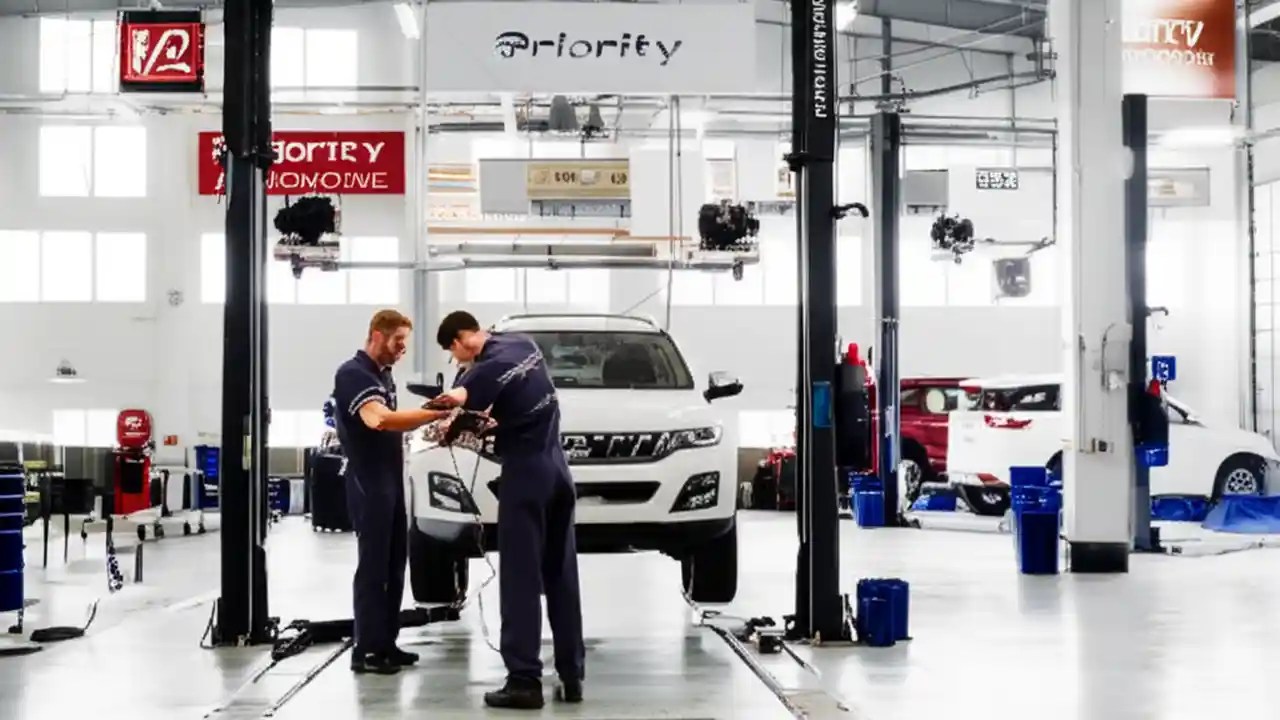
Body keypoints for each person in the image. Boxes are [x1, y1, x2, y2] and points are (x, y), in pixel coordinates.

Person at [431, 310, 585, 710]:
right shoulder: (522, 343)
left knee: (520, 579)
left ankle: (524, 681)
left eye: (455, 354)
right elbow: (518, 398)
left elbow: (464, 397)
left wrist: (448, 409)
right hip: (559, 472)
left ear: (459, 341)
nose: (460, 362)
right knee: (561, 575)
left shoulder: (481, 369)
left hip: (527, 477)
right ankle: (572, 674)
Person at [332, 309, 449, 674]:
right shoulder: (353, 374)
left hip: (391, 481)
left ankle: (386, 644)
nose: (402, 348)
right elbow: (379, 419)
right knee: (373, 567)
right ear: (377, 335)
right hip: (369, 483)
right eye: (398, 340)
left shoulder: (384, 377)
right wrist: (434, 413)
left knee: (396, 562)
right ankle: (366, 650)